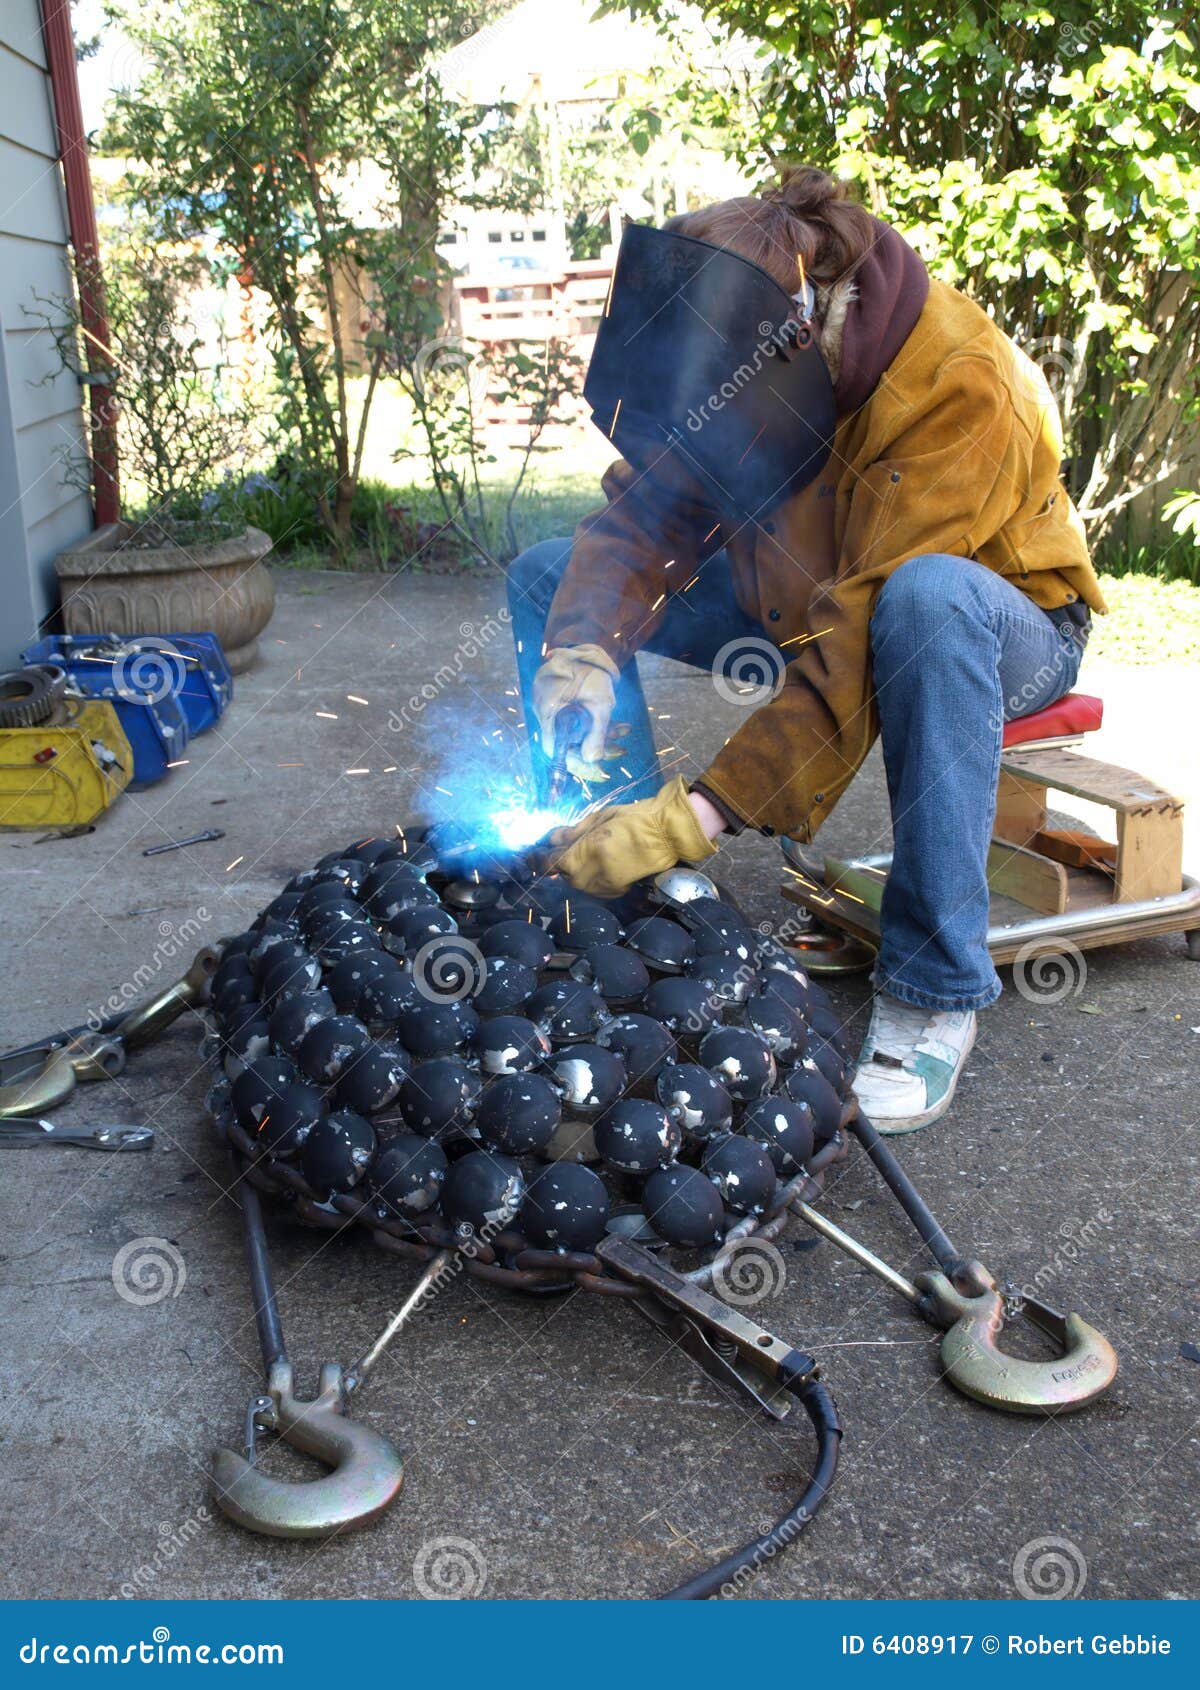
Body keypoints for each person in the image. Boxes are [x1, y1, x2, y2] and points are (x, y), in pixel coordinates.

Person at [506, 168, 1103, 1133]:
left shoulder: (959, 381)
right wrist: (581, 654)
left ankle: (935, 986)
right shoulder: (738, 351)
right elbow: (639, 519)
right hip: (796, 593)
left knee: (928, 601)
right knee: (551, 576)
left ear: (797, 337)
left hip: (995, 627)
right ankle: (600, 850)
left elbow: (867, 634)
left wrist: (700, 812)